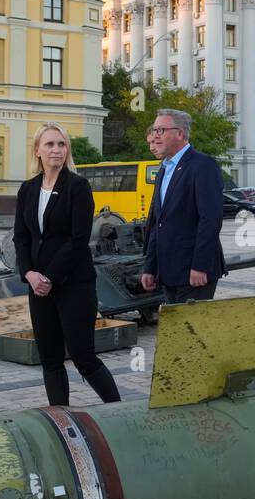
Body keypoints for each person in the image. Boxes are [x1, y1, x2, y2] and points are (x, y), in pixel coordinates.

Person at [13, 124, 120, 406]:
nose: (56, 150)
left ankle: (119, 410)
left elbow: (78, 239)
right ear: (37, 150)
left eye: (61, 144)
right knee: (50, 359)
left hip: (73, 283)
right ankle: (61, 417)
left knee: (83, 356)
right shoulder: (27, 189)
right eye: (49, 144)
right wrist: (29, 274)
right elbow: (20, 238)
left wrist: (48, 277)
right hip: (38, 287)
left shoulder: (77, 186)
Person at [140, 109, 226, 303]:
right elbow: (157, 222)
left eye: (160, 130)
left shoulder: (203, 165)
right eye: (154, 130)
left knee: (193, 332)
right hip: (168, 271)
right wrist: (150, 267)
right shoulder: (164, 168)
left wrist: (200, 266)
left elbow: (210, 220)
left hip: (194, 273)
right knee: (177, 331)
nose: (155, 135)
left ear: (179, 133)